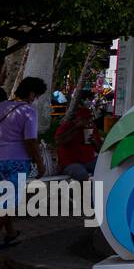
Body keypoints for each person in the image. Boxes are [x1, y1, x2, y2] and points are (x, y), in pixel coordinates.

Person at [0, 77, 48, 247]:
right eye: (37, 96)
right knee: (9, 203)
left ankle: (11, 233)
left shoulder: (3, 106)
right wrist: (40, 163)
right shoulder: (29, 111)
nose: (36, 99)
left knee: (3, 200)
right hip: (18, 161)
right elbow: (30, 141)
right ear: (32, 93)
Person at [54, 92, 101, 181]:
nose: (87, 121)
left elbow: (99, 149)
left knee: (103, 168)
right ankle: (84, 194)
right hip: (70, 162)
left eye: (89, 119)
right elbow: (59, 141)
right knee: (81, 174)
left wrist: (94, 141)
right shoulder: (67, 127)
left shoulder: (91, 128)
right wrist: (76, 128)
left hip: (88, 160)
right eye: (84, 119)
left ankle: (99, 193)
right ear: (77, 119)